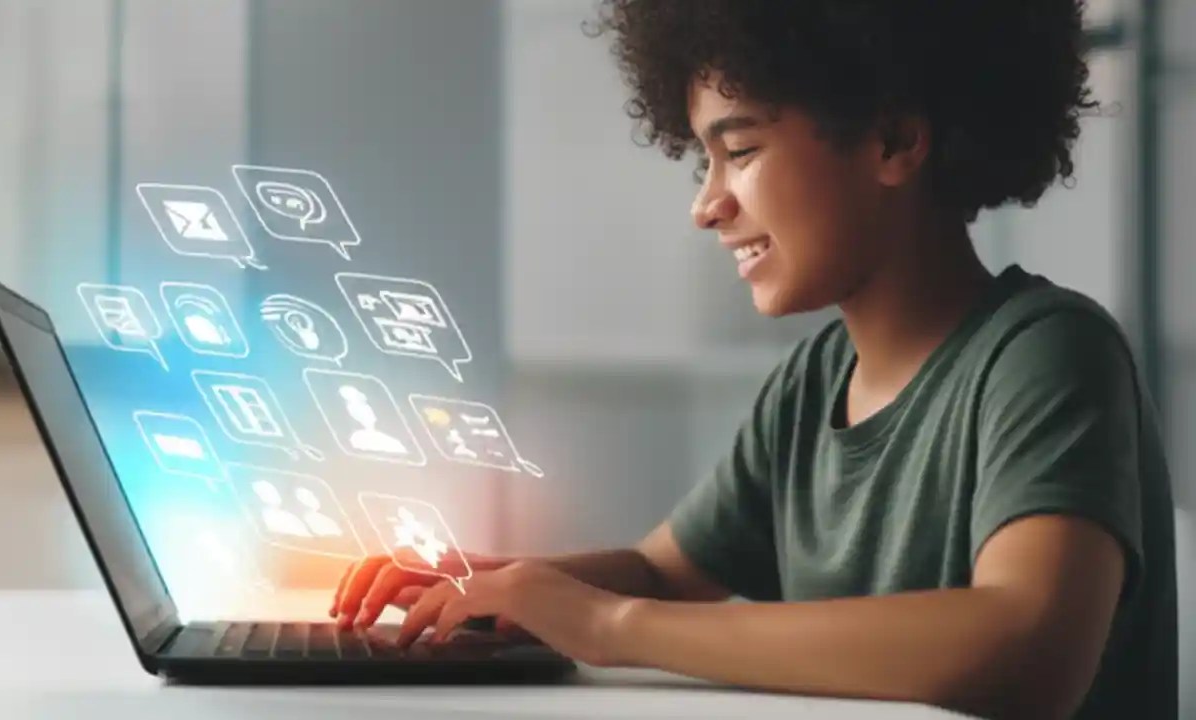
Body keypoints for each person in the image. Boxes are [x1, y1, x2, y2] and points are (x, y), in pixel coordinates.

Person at [330, 2, 1177, 717]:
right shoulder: (813, 385)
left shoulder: (1047, 353)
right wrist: (503, 586)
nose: (707, 206)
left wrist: (608, 625)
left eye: (739, 152)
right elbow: (665, 569)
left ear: (892, 140)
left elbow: (1027, 645)